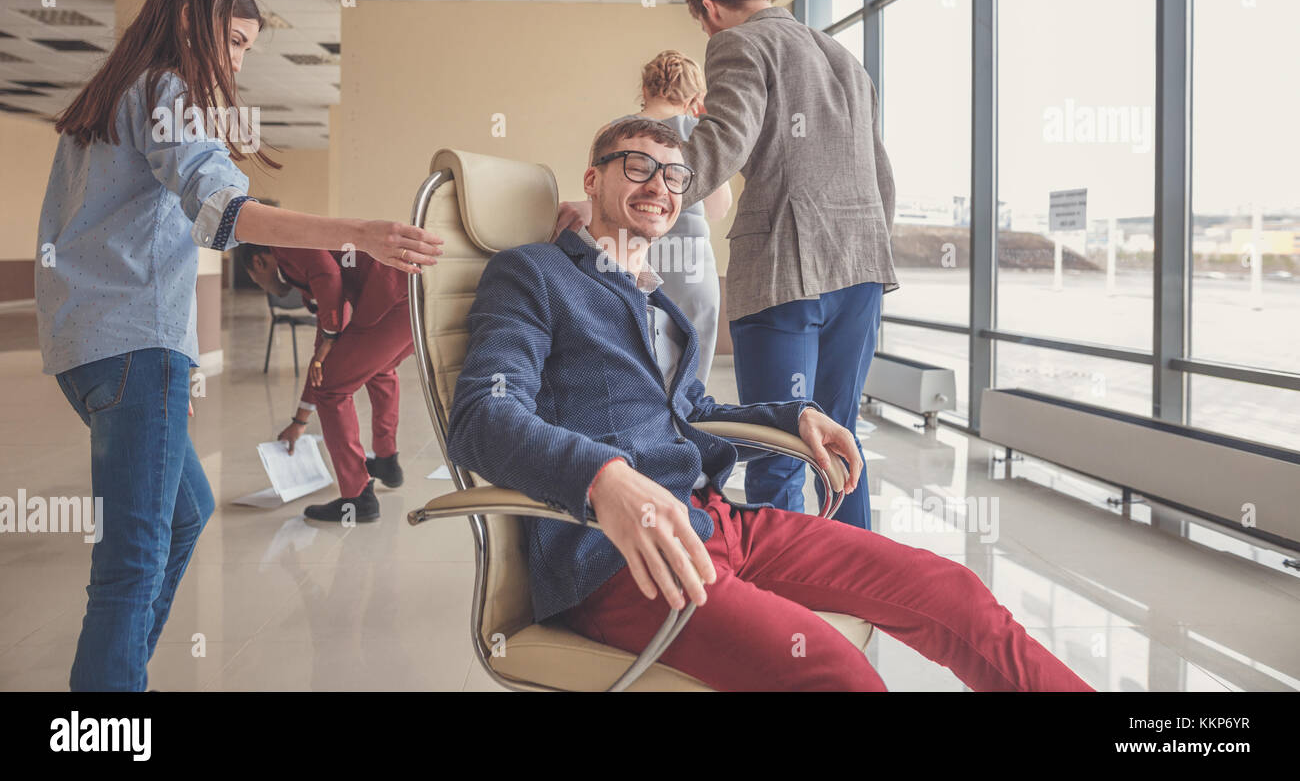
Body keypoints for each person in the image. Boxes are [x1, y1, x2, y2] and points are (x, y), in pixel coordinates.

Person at [447, 119, 1091, 691]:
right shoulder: (533, 273)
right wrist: (603, 477)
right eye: (636, 166)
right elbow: (483, 418)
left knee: (952, 594)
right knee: (839, 675)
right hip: (622, 558)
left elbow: (688, 410)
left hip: (721, 521)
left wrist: (791, 415)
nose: (658, 186)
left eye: (674, 175)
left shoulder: (656, 300)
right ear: (593, 179)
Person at [35, 0, 443, 691]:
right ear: (189, 23)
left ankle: (122, 677)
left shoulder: (106, 100)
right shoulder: (167, 89)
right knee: (131, 562)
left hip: (89, 348)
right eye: (233, 40)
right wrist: (361, 229)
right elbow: (225, 211)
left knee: (185, 512)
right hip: (135, 346)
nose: (237, 61)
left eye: (248, 47)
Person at [670, 0, 897, 532]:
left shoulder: (739, 44)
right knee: (839, 439)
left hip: (785, 271)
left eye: (701, 20)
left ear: (711, 10)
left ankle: (786, 602)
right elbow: (881, 174)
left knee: (781, 442)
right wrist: (869, 257)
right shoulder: (847, 60)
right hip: (861, 270)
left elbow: (723, 142)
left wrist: (641, 194)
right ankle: (858, 587)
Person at [555, 50, 731, 384]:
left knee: (628, 362)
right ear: (695, 98)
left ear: (645, 89)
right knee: (688, 382)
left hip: (622, 255)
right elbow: (718, 209)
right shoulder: (699, 132)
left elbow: (597, 194)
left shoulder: (616, 131)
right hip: (690, 264)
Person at [240, 242, 413, 522]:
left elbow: (328, 275)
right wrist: (300, 420)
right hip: (414, 294)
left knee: (333, 390)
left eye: (254, 279)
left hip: (394, 297)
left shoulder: (288, 247)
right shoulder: (298, 267)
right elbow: (327, 338)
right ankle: (386, 460)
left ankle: (358, 498)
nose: (261, 287)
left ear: (259, 262)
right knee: (380, 369)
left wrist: (331, 337)